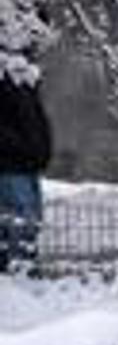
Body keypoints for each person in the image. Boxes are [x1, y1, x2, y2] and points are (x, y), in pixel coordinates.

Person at [0, 70, 51, 274]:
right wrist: (18, 146)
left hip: (29, 165)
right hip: (11, 165)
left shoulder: (24, 80)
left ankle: (23, 270)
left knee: (30, 221)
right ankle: (18, 273)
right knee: (20, 221)